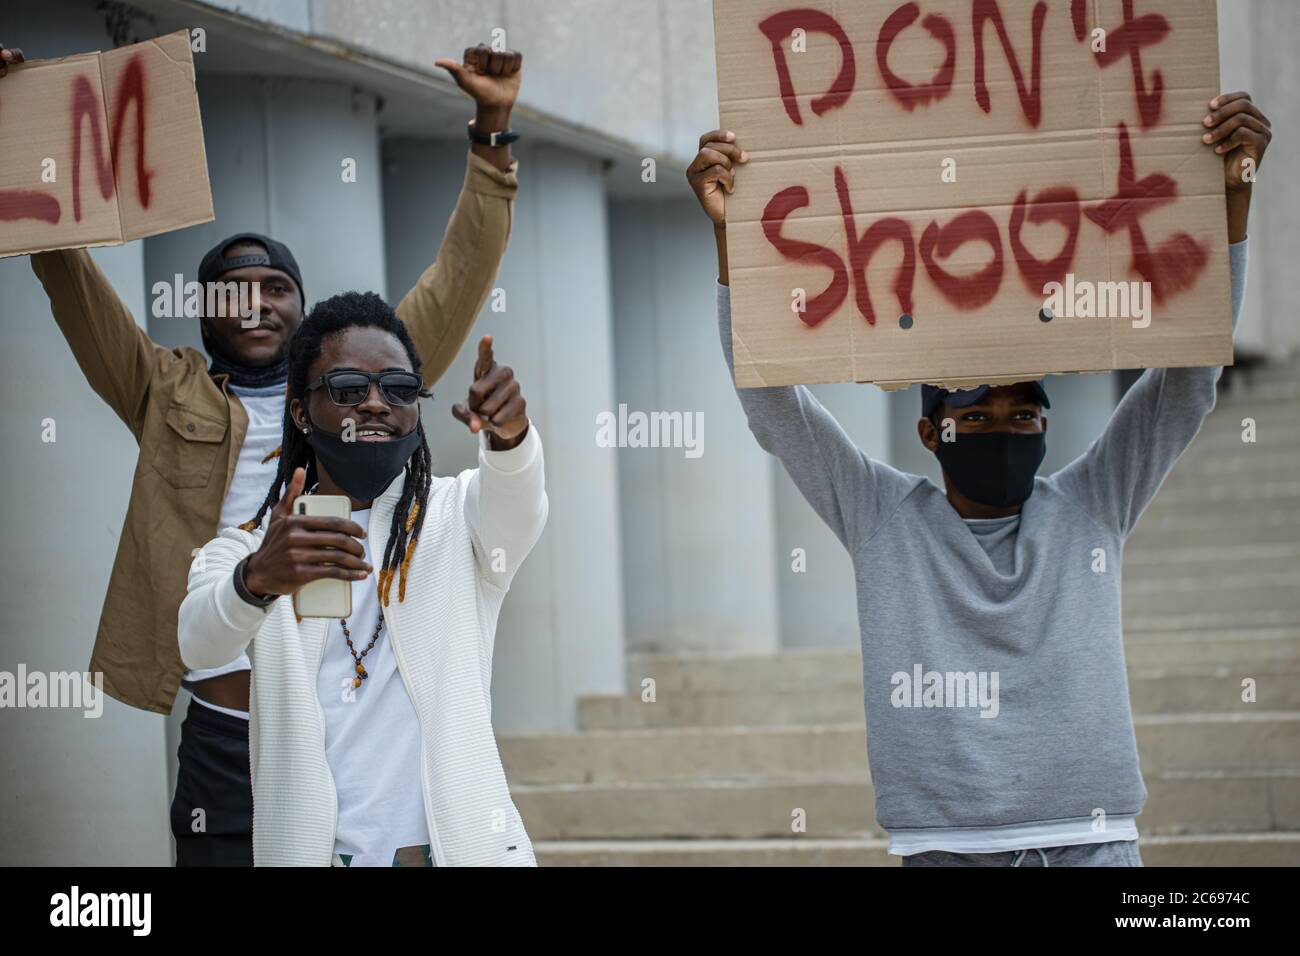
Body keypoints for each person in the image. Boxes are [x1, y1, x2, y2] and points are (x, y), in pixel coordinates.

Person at [686, 91, 1270, 866]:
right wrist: (734, 241)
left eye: (1024, 414)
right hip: (945, 848)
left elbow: (1188, 381)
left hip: (1089, 843)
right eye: (979, 414)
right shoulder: (882, 517)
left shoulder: (1092, 504)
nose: (1005, 428)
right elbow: (773, 407)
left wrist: (1231, 200)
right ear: (930, 433)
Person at [1, 38, 525, 865]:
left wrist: (491, 135)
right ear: (202, 311)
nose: (254, 303)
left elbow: (459, 273)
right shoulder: (161, 388)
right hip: (224, 725)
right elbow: (74, 289)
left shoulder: (351, 383)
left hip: (339, 724)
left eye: (274, 286)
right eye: (231, 290)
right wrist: (22, 133)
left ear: (301, 308)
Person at [179, 293, 546, 866]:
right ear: (301, 412)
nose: (375, 403)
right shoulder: (253, 545)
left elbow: (519, 505)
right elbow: (198, 640)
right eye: (348, 388)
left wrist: (511, 437)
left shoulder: (457, 515)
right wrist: (256, 582)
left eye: (398, 388)